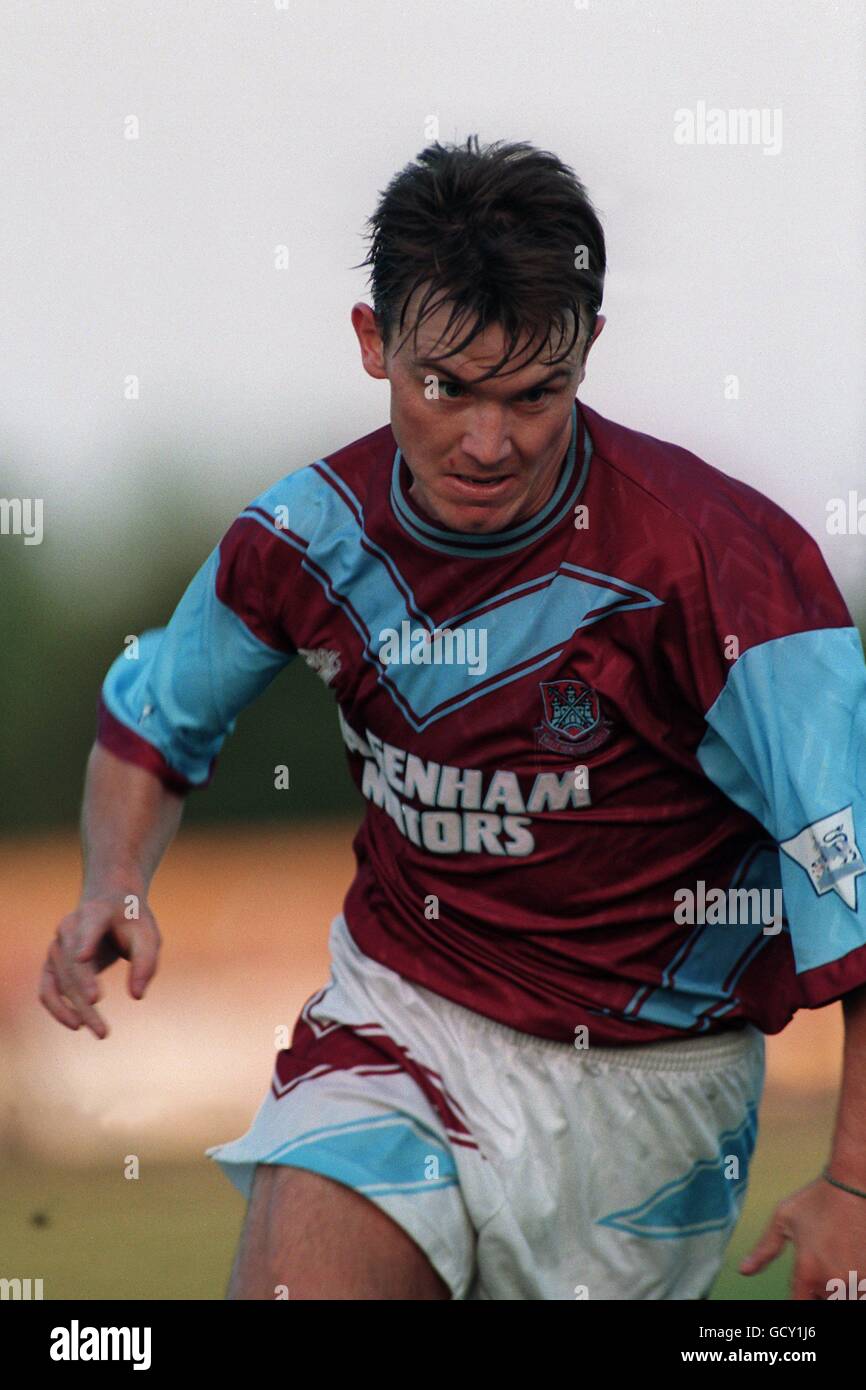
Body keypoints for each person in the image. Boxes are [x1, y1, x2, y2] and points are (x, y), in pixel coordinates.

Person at [39, 136, 866, 1301]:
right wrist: (111, 884)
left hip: (649, 1095)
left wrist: (854, 1184)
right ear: (372, 343)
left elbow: (854, 878)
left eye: (535, 394)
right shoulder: (303, 538)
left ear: (587, 352)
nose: (490, 443)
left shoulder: (725, 570)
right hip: (400, 1018)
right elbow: (153, 722)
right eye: (446, 388)